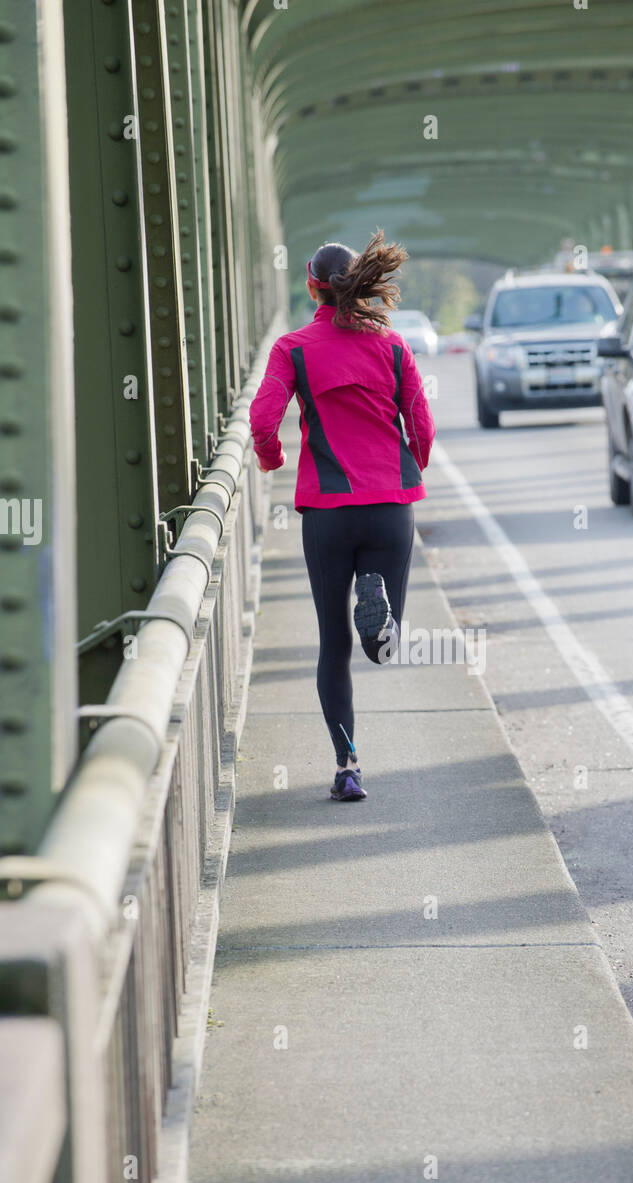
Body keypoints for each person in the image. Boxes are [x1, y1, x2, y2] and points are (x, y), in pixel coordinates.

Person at [248, 229, 436, 801]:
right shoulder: (394, 346)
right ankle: (376, 600)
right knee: (382, 645)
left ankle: (348, 765)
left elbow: (262, 420)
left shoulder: (294, 348)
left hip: (328, 514)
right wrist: (408, 469)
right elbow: (422, 427)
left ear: (312, 288)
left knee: (333, 644)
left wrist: (273, 458)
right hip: (389, 508)